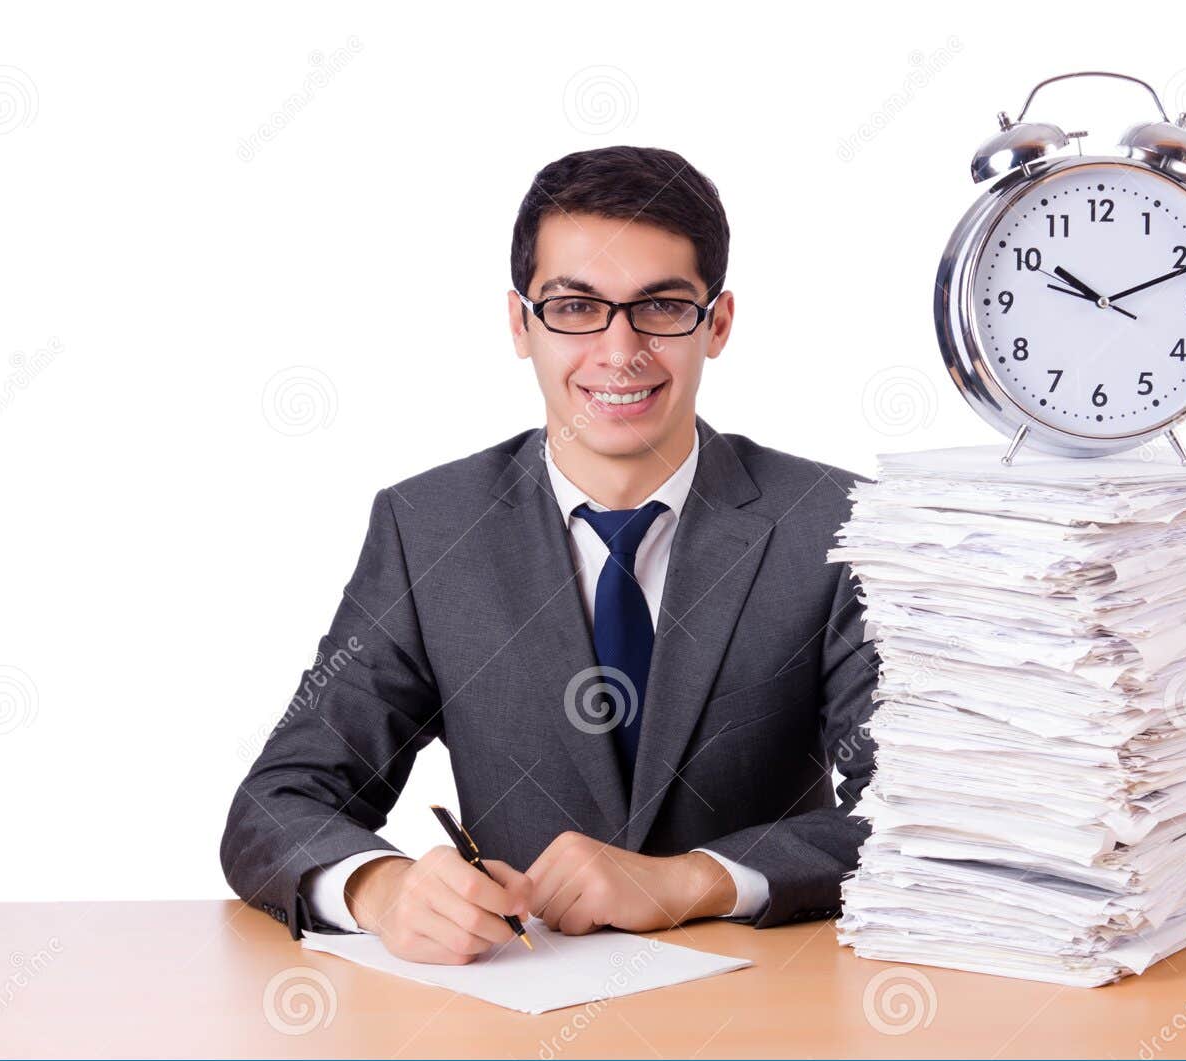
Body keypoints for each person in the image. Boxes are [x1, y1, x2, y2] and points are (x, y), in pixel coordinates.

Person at [219, 145, 879, 964]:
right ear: (519, 323)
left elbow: (930, 813)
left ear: (718, 323)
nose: (619, 349)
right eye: (574, 307)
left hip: (775, 1014)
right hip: (516, 1016)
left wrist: (694, 880)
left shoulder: (842, 526)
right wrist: (381, 892)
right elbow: (277, 801)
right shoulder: (429, 528)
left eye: (663, 307)